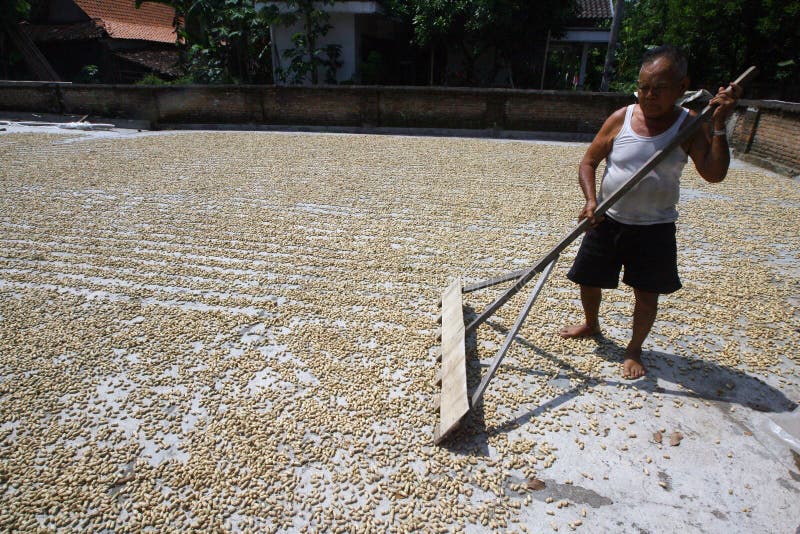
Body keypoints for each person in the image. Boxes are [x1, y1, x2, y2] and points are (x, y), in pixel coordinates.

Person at [558, 45, 742, 379]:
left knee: (646, 294)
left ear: (682, 87)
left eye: (659, 89)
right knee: (587, 279)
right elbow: (589, 161)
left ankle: (634, 349)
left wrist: (718, 125)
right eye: (643, 87)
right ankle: (592, 324)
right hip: (608, 218)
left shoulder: (689, 126)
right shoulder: (621, 118)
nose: (649, 95)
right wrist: (590, 200)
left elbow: (714, 174)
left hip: (655, 227)